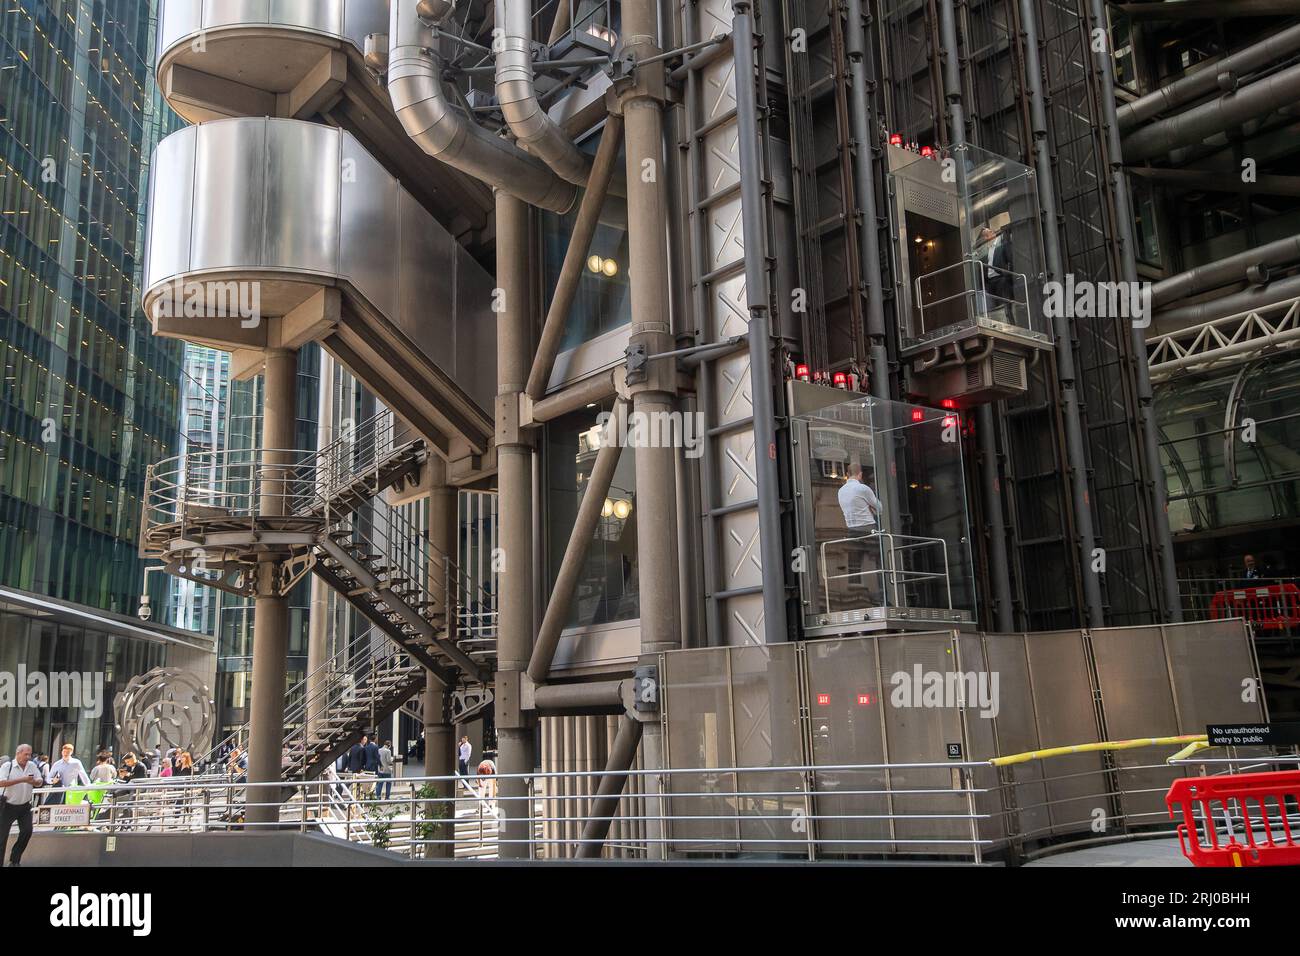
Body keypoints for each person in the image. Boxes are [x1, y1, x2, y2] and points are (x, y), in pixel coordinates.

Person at [837, 464, 883, 607]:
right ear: (860, 475)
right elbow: (880, 509)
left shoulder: (841, 491)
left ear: (846, 474)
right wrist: (870, 507)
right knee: (877, 563)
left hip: (851, 530)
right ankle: (880, 596)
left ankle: (860, 595)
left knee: (856, 565)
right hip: (868, 529)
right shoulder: (863, 488)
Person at [0, 745, 44, 866]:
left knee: (27, 831)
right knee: (2, 837)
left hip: (24, 806)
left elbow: (40, 781)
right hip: (7, 806)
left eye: (29, 754)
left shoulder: (32, 766)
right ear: (18, 753)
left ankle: (14, 860)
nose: (28, 757)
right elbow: (1, 782)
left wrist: (34, 781)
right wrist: (22, 779)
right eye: (26, 754)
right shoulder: (7, 766)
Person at [975, 225, 1014, 315]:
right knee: (993, 307)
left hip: (1001, 278)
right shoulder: (986, 250)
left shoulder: (1001, 244)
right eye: (989, 232)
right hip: (990, 282)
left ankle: (1009, 317)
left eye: (991, 231)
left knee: (1005, 305)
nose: (993, 232)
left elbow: (1009, 259)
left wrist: (1007, 274)